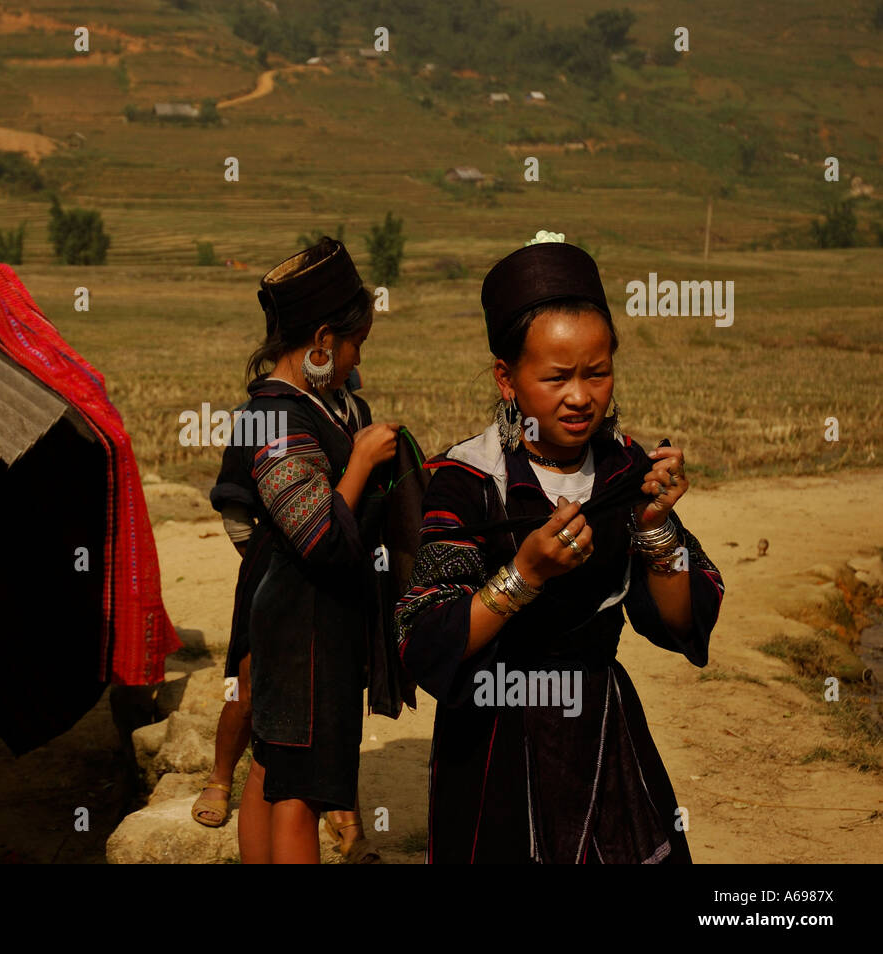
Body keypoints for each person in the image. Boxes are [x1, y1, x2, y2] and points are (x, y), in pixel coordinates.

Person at [395, 231, 725, 863]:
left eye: (597, 373)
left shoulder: (627, 469)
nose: (580, 396)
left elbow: (680, 622)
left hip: (601, 728)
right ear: (507, 378)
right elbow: (422, 634)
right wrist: (522, 575)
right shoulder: (468, 481)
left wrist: (656, 526)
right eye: (557, 377)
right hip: (497, 734)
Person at [206, 236, 399, 863]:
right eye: (354, 345)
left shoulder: (317, 407)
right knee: (302, 791)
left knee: (273, 769)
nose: (355, 359)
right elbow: (320, 537)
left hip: (303, 619)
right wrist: (364, 461)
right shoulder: (273, 419)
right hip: (302, 628)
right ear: (322, 341)